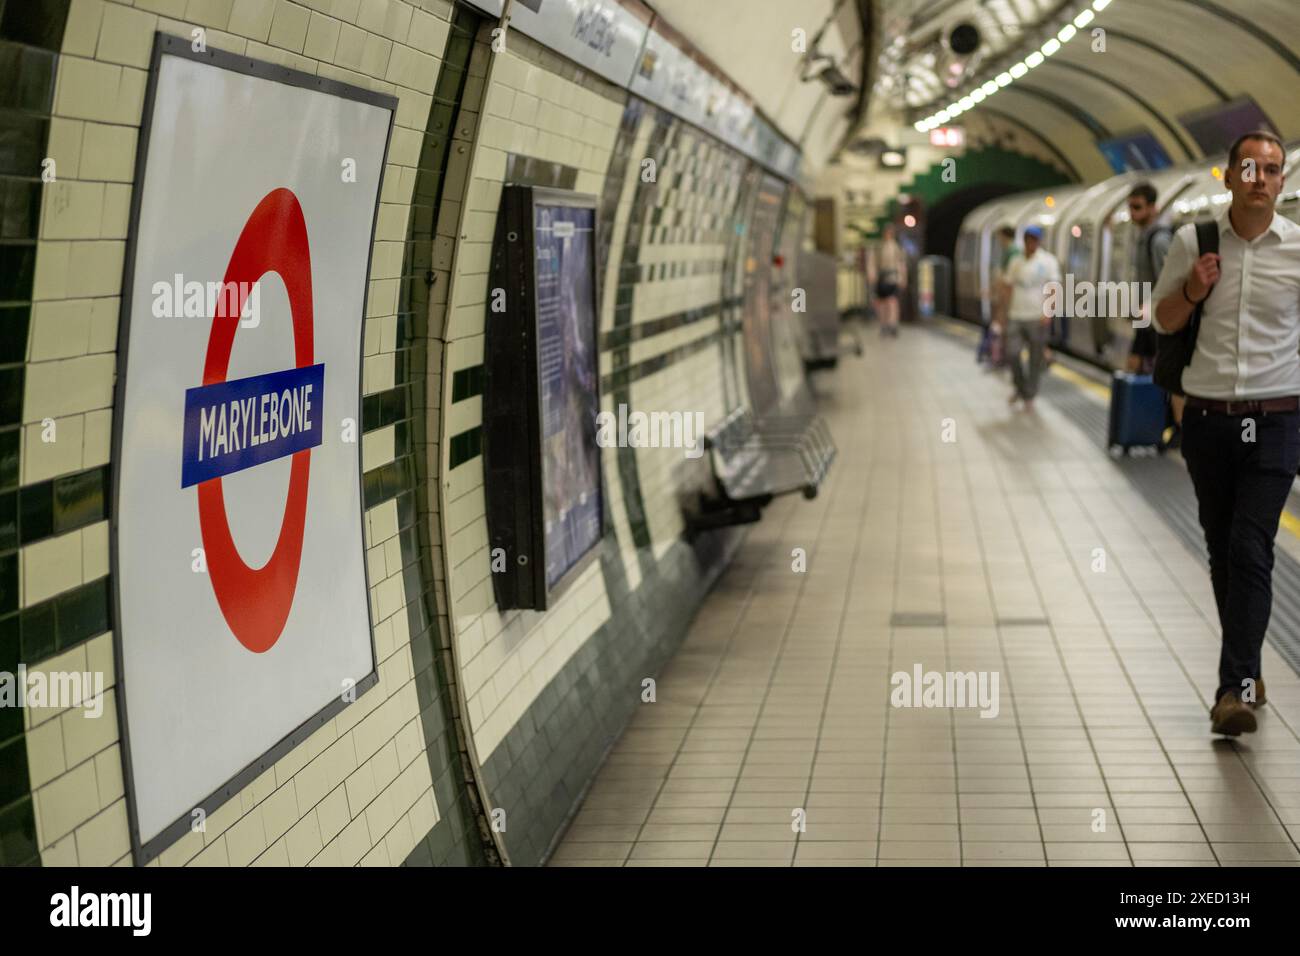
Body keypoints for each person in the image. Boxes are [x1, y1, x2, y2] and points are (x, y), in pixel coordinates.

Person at [1152, 130, 1300, 737]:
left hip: (1277, 419)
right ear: (1229, 177)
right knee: (1222, 552)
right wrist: (1193, 289)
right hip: (1209, 419)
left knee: (1250, 547)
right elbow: (1162, 318)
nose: (1259, 179)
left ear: (1282, 183)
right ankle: (1248, 666)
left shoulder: (1298, 250)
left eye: (1271, 170)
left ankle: (1232, 689)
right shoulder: (1195, 241)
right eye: (1249, 168)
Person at [1124, 182, 1181, 444]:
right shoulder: (1144, 237)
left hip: (1157, 321)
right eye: (1130, 208)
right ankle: (1145, 422)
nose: (1132, 214)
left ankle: (1177, 429)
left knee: (1166, 374)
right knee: (1140, 367)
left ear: (1153, 207)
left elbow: (1168, 282)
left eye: (1137, 208)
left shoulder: (1158, 240)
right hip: (1147, 319)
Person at [1002, 225, 1061, 410]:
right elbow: (1008, 286)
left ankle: (1029, 394)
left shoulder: (1048, 261)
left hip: (1038, 317)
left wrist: (1048, 311)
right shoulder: (1015, 261)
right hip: (1016, 315)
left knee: (1035, 359)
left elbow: (1053, 288)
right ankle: (1021, 387)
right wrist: (1003, 313)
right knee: (1012, 353)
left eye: (1034, 239)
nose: (1031, 243)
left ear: (1039, 241)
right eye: (1028, 239)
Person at [875, 224, 906, 337]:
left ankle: (892, 324)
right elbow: (876, 264)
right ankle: (885, 324)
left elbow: (901, 264)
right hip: (883, 277)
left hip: (892, 277)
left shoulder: (896, 247)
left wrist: (902, 277)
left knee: (892, 302)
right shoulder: (881, 247)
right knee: (883, 303)